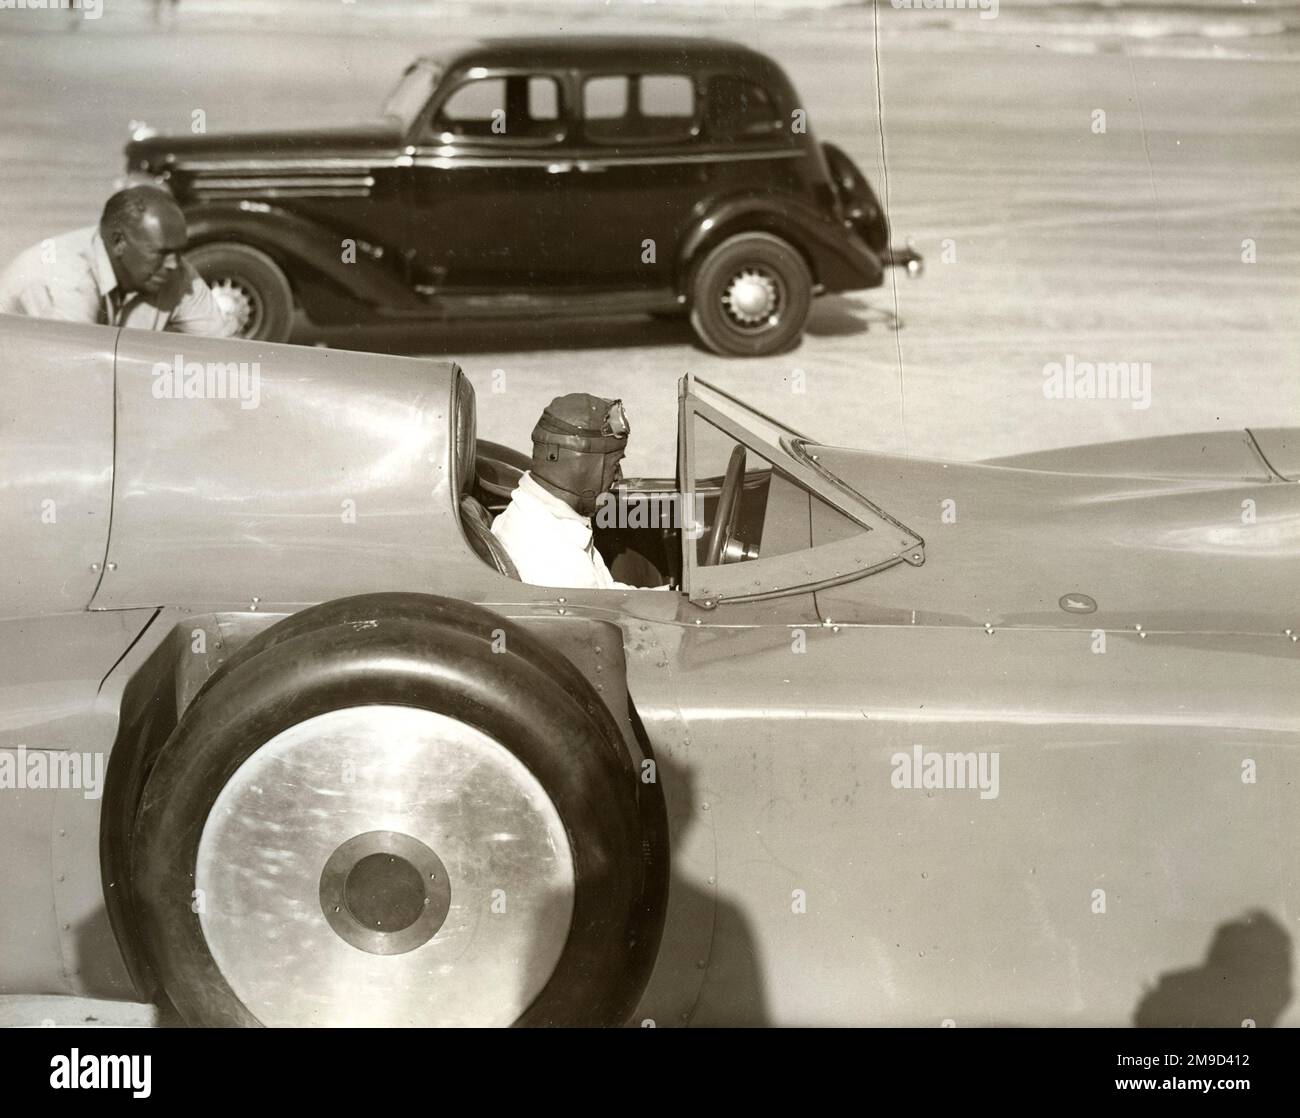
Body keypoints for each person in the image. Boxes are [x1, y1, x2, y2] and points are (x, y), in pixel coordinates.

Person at [0, 185, 233, 336]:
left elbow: (226, 353)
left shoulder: (172, 269)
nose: (173, 264)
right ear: (118, 242)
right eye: (161, 253)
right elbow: (73, 377)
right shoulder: (68, 278)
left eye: (179, 251)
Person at [492, 393, 663, 590]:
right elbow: (605, 605)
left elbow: (607, 594)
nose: (619, 477)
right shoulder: (559, 560)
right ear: (582, 467)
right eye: (615, 465)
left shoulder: (533, 514)